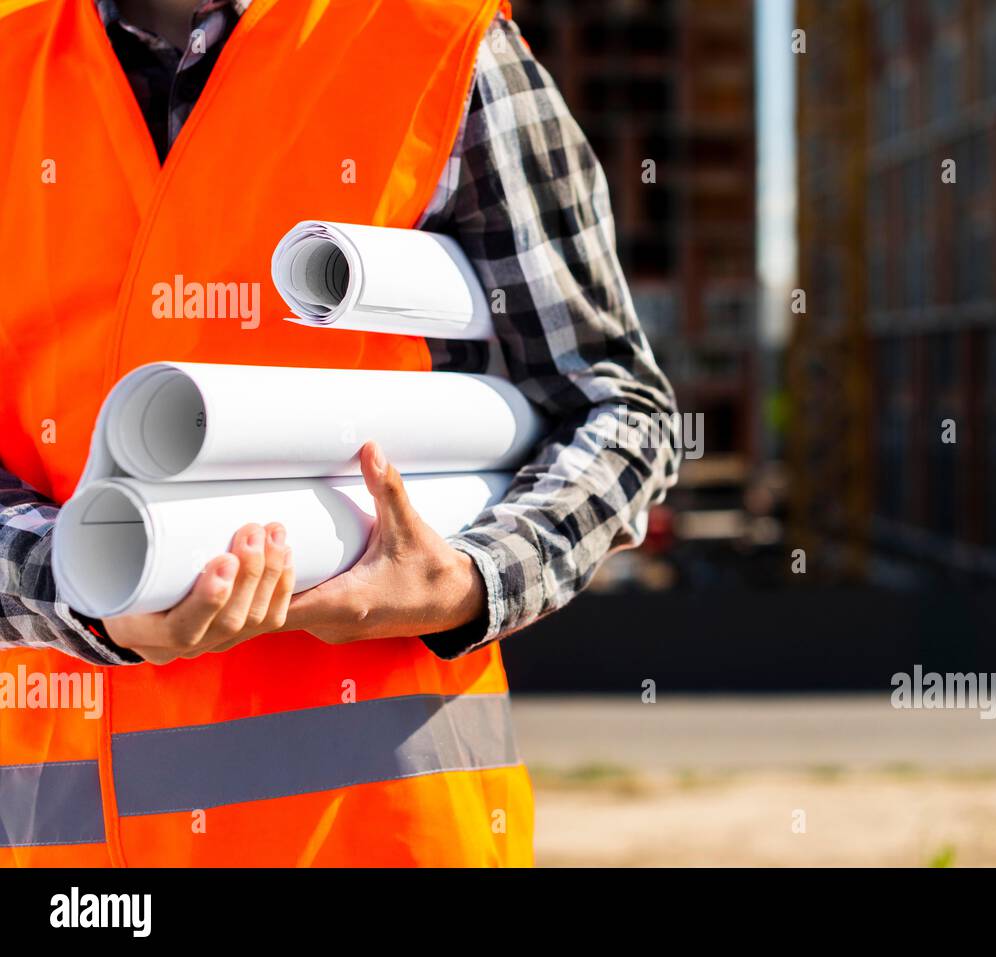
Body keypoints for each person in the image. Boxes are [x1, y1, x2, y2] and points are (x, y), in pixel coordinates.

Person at [0, 0, 679, 866]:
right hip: (68, 859)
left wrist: (472, 579)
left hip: (371, 835)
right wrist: (79, 591)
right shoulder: (11, 69)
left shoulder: (434, 47)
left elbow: (617, 408)